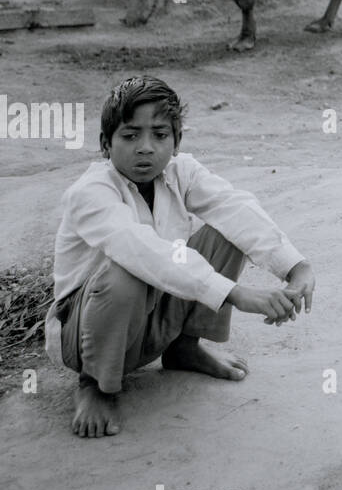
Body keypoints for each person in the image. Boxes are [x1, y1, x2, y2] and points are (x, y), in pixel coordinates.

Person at [45, 75, 315, 437]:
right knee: (126, 270)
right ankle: (95, 385)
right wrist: (235, 293)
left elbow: (234, 207)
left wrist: (296, 267)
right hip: (87, 336)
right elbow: (140, 250)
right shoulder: (90, 192)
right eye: (130, 135)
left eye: (159, 134)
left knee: (227, 228)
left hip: (151, 321)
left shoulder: (180, 171)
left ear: (176, 142)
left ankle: (183, 349)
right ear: (106, 144)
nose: (145, 147)